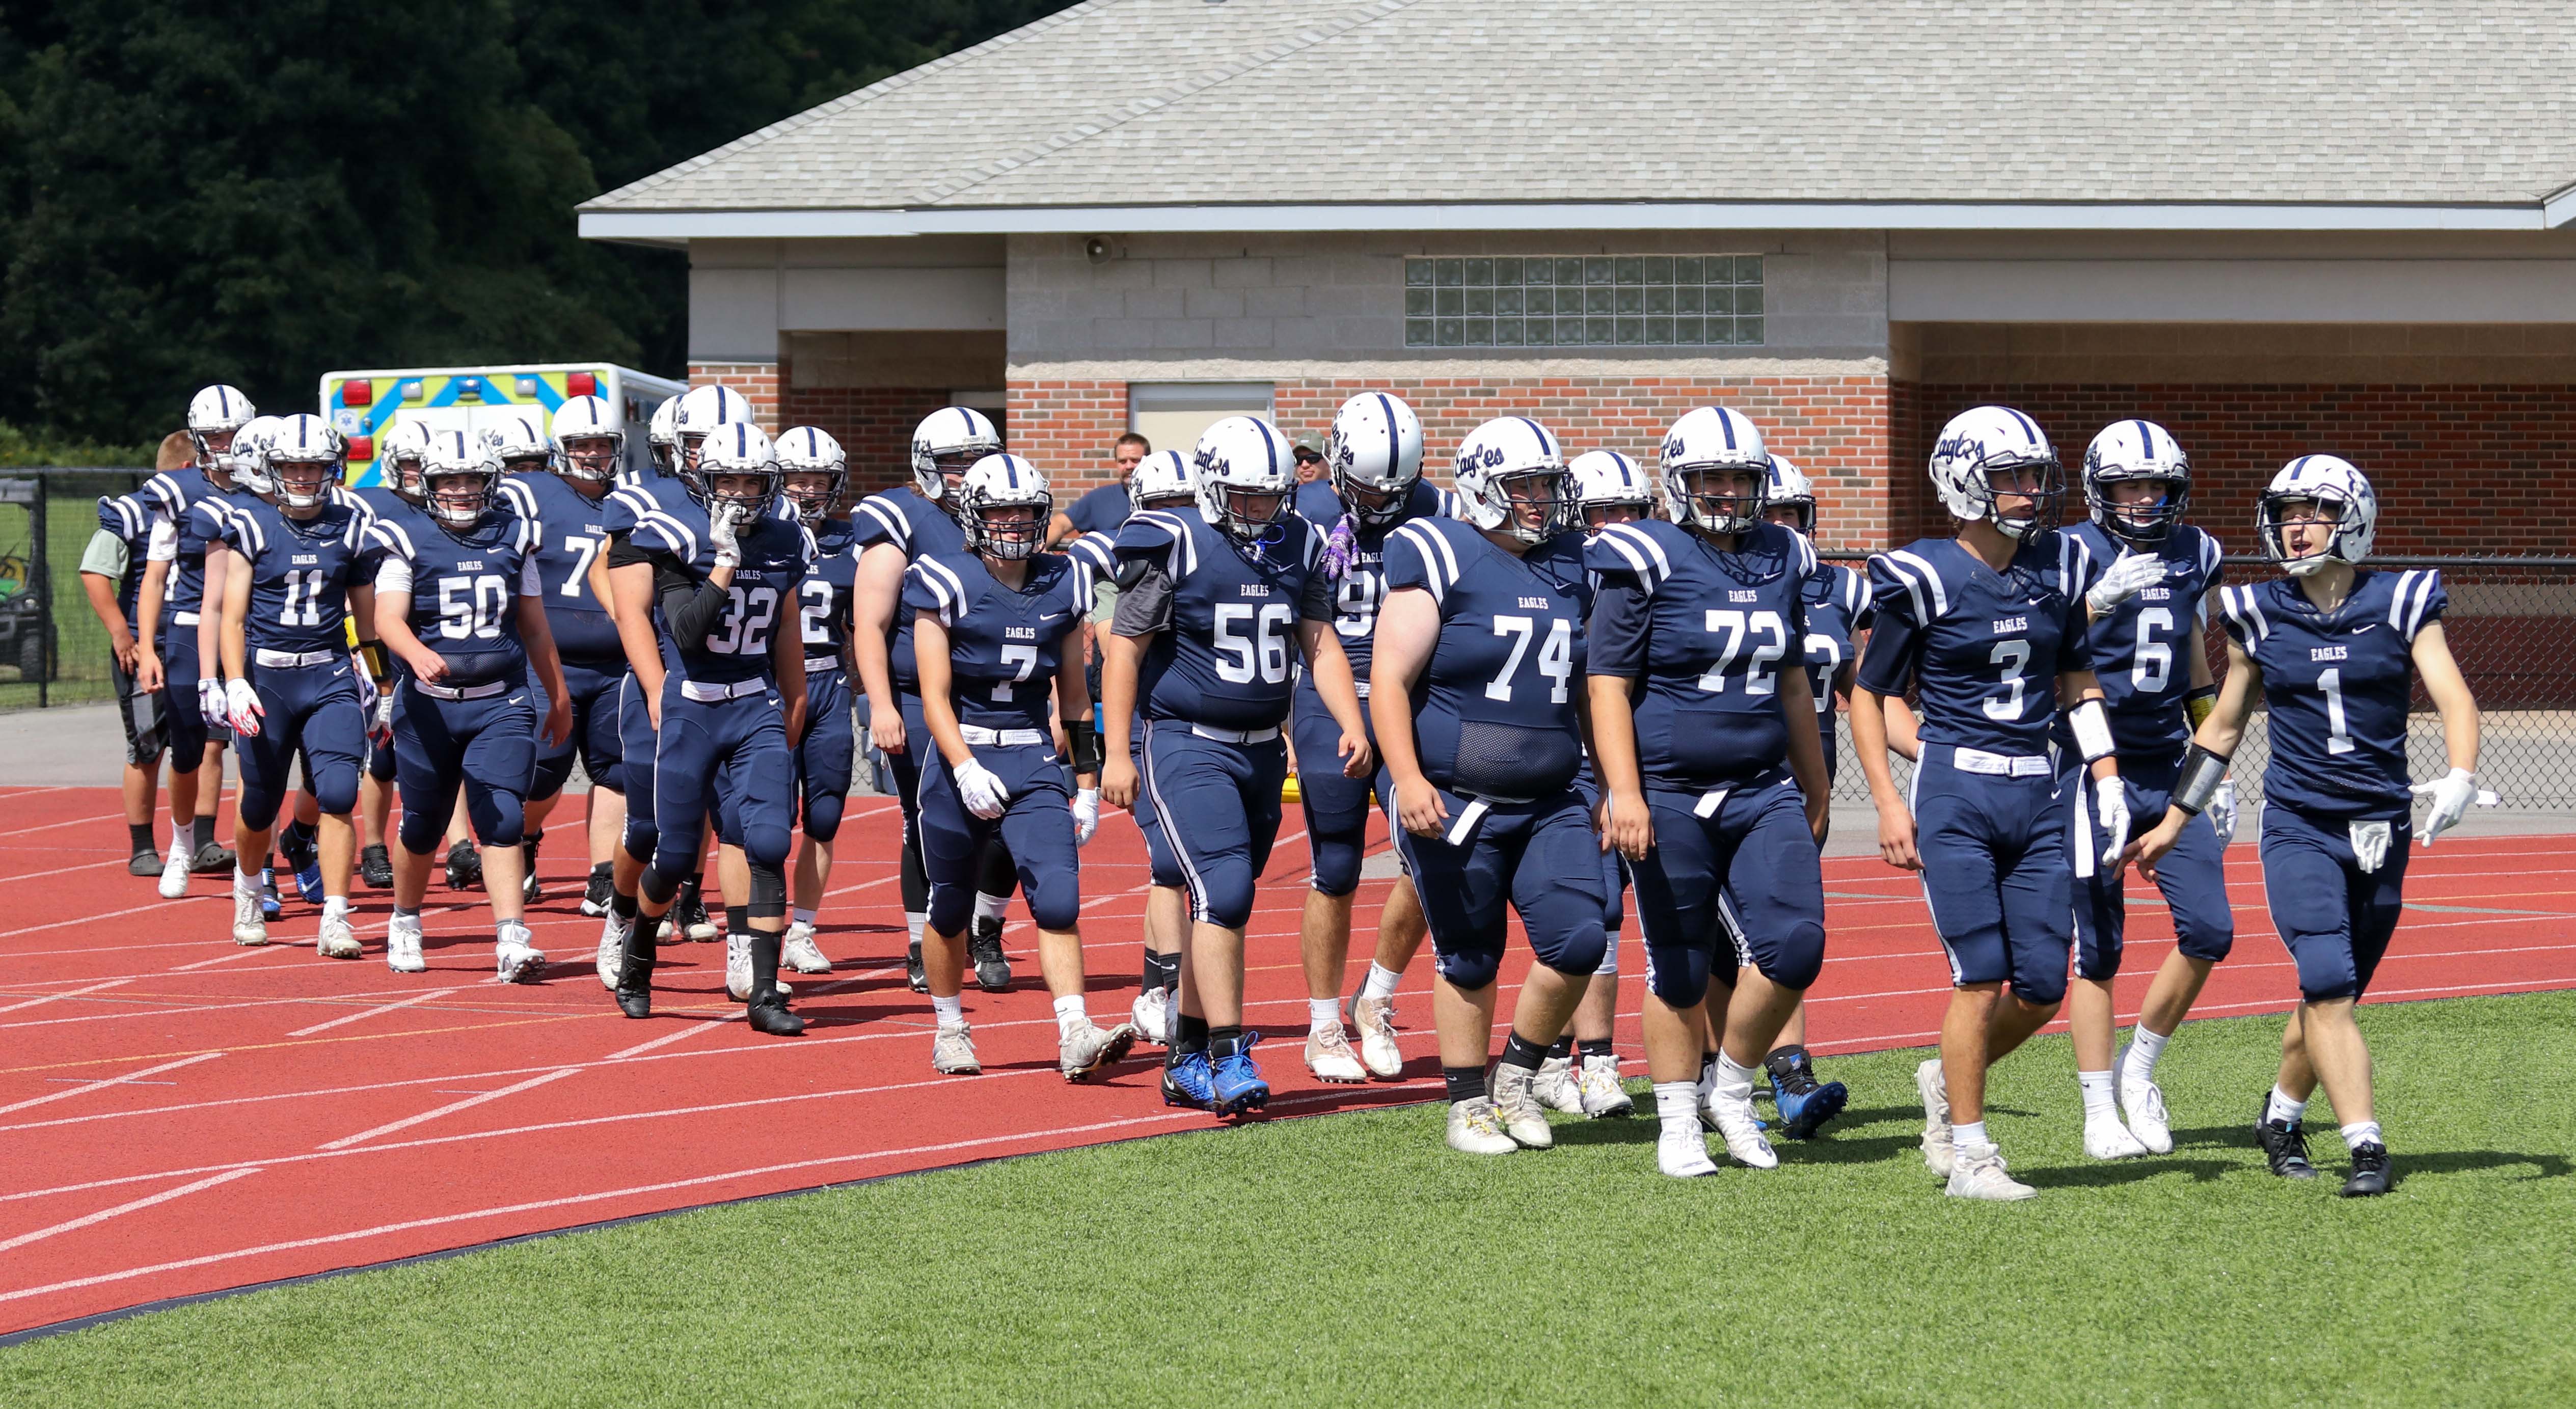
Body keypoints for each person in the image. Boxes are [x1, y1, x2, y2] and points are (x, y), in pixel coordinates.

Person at [2133, 455, 2481, 1198]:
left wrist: (2460, 771)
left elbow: (2452, 693)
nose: (2294, 527)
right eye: (2286, 513)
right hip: (2298, 823)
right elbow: (2223, 726)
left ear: (2350, 517)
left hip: (2379, 824)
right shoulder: (2256, 611)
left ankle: (2282, 1117)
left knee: (2336, 995)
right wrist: (2174, 817)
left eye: (2313, 511)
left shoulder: (2402, 599)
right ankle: (2365, 1145)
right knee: (2325, 977)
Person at [1853, 405, 2125, 1201]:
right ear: (1963, 479)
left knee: (2041, 984)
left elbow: (2076, 678)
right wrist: (1886, 802)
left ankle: (1946, 1077)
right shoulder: (1922, 573)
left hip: (2038, 787)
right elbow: (1869, 695)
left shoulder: (2060, 567)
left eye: (2032, 475)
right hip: (1958, 789)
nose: (2027, 490)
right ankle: (1969, 1153)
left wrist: (2106, 775)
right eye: (2009, 474)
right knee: (1979, 975)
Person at [1586, 408, 1834, 1177]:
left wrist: (1815, 786)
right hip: (1667, 787)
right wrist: (1622, 790)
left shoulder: (1783, 552)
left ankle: (1729, 1087)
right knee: (1682, 965)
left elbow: (1794, 683)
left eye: (1740, 478)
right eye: (1710, 478)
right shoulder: (1644, 554)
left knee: (1796, 945)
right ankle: (1677, 1118)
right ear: (1677, 480)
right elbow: (1606, 684)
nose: (1727, 493)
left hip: (1761, 786)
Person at [1100, 415, 1371, 1116]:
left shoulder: (1300, 541)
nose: (1258, 509)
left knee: (1218, 903)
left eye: (1268, 496)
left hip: (1258, 748)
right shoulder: (1177, 541)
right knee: (1225, 893)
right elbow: (1125, 648)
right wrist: (1112, 750)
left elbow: (1319, 643)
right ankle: (1227, 1054)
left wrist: (1349, 720)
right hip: (1188, 741)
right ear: (1212, 487)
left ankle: (1186, 1057)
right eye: (1243, 495)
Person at [1370, 415, 1602, 1155]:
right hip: (1455, 794)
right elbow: (1387, 678)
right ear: (1479, 488)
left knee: (1578, 940)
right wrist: (1405, 776)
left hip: (1551, 796)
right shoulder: (1436, 549)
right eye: (1522, 486)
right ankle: (1466, 1104)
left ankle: (1517, 1074)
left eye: (1545, 484)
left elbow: (1598, 683)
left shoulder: (1574, 560)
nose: (1539, 499)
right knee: (1470, 956)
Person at [907, 454, 1136, 1077]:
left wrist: (1086, 784)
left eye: (1027, 511)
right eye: (1001, 510)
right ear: (973, 515)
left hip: (1032, 754)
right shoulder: (943, 578)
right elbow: (931, 695)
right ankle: (951, 1028)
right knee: (950, 904)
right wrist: (961, 765)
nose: (1014, 522)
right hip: (962, 755)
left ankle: (1074, 1032)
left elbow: (1076, 693)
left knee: (1058, 901)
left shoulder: (1063, 579)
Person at [2056, 420, 2234, 1159]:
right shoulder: (2068, 553)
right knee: (2095, 948)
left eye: (2158, 485)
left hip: (2167, 763)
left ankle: (2140, 1069)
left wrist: (2210, 763)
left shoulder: (2197, 551)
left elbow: (2195, 662)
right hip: (2087, 762)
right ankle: (2098, 1108)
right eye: (2130, 485)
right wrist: (2091, 602)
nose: (2146, 499)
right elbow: (2043, 650)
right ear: (2101, 489)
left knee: (2210, 930)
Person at [602, 420, 809, 1035]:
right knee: (672, 854)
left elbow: (787, 634)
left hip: (754, 704)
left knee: (770, 843)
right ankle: (639, 951)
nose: (742, 492)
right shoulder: (672, 536)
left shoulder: (784, 539)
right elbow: (686, 634)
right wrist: (722, 564)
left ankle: (766, 992)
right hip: (691, 702)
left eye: (753, 481)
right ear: (702, 480)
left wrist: (792, 702)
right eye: (729, 480)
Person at [1285, 392, 1445, 1085]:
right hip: (1332, 698)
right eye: (1368, 486)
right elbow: (1288, 620)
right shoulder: (1306, 514)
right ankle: (1324, 1023)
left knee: (1432, 853)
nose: (1382, 500)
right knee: (1336, 867)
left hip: (1410, 703)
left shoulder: (1435, 508)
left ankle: (1374, 996)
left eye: (1394, 487)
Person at [371, 430, 568, 976]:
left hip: (501, 701)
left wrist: (558, 695)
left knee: (503, 816)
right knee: (421, 825)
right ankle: (405, 921)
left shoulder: (514, 535)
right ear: (428, 485)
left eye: (471, 479)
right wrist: (415, 652)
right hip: (429, 706)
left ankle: (511, 938)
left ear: (491, 482)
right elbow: (386, 618)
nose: (460, 490)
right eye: (448, 481)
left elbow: (534, 626)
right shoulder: (405, 537)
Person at [854, 407, 1023, 994]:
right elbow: (870, 625)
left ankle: (986, 927)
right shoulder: (901, 518)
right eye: (955, 462)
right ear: (928, 466)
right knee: (929, 823)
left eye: (978, 458)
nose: (969, 472)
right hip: (919, 697)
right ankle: (923, 939)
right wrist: (880, 704)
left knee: (1011, 818)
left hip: (1000, 695)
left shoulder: (1010, 509)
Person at [589, 389, 743, 981]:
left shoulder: (765, 503)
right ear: (677, 448)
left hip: (735, 686)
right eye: (701, 443)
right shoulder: (643, 503)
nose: (715, 455)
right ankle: (620, 919)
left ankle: (744, 951)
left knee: (737, 824)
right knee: (649, 827)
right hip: (667, 677)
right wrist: (655, 683)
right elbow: (623, 602)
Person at [214, 415, 380, 957]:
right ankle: (249, 888)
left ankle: (335, 916)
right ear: (273, 468)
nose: (304, 476)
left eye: (313, 466)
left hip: (329, 672)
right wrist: (235, 682)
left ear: (332, 468)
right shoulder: (251, 525)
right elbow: (232, 617)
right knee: (259, 805)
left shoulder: (352, 525)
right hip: (268, 678)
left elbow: (368, 619)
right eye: (293, 466)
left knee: (337, 793)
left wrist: (383, 684)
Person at [1528, 447, 1658, 1122]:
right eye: (1606, 510)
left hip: (1653, 757)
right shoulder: (1562, 570)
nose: (1620, 523)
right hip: (1576, 758)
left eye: (1633, 510)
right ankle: (1585, 1060)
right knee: (1595, 909)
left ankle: (1568, 1061)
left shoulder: (1663, 570)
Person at [1748, 455, 1862, 1138]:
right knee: (1714, 945)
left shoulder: (1838, 590)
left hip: (1804, 790)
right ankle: (1719, 1074)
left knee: (1787, 937)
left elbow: (1862, 687)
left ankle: (1788, 1075)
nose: (1783, 527)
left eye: (1792, 514)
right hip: (1732, 778)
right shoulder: (1700, 584)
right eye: (1773, 515)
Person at [1067, 449, 1197, 1046]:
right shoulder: (1115, 555)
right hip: (1147, 720)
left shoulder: (1210, 555)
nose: (1178, 517)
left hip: (1196, 724)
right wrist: (1113, 751)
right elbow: (1108, 636)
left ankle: (1154, 989)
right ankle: (1164, 991)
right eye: (1166, 506)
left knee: (1189, 869)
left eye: (1187, 505)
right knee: (1169, 864)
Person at [505, 397, 632, 923]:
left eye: (603, 444)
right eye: (583, 444)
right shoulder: (531, 495)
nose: (594, 453)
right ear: (562, 450)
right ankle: (527, 835)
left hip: (616, 664)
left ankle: (604, 876)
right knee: (545, 772)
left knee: (617, 772)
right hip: (547, 662)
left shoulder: (630, 499)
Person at [135, 386, 254, 893]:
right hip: (189, 628)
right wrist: (146, 646)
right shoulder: (177, 491)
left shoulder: (271, 487)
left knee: (256, 752)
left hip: (257, 629)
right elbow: (155, 578)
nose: (225, 444)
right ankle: (182, 842)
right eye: (214, 435)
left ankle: (258, 863)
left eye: (232, 433)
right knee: (186, 754)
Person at [85, 433, 186, 879]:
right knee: (147, 744)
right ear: (186, 471)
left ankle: (200, 840)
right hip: (148, 647)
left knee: (209, 744)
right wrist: (122, 635)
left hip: (194, 643)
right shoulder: (131, 511)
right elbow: (94, 572)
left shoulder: (215, 510)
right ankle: (142, 845)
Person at [776, 426, 856, 981]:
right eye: (797, 478)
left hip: (829, 684)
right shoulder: (759, 536)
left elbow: (863, 628)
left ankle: (801, 929)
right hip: (767, 686)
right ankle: (751, 926)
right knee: (763, 819)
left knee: (823, 816)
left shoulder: (852, 542)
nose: (808, 490)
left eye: (818, 479)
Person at [1048, 430, 1149, 546]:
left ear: (1148, 461)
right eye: (1122, 461)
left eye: (1135, 460)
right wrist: (1040, 548)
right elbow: (1059, 523)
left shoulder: (1162, 499)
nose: (1129, 466)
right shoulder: (1100, 499)